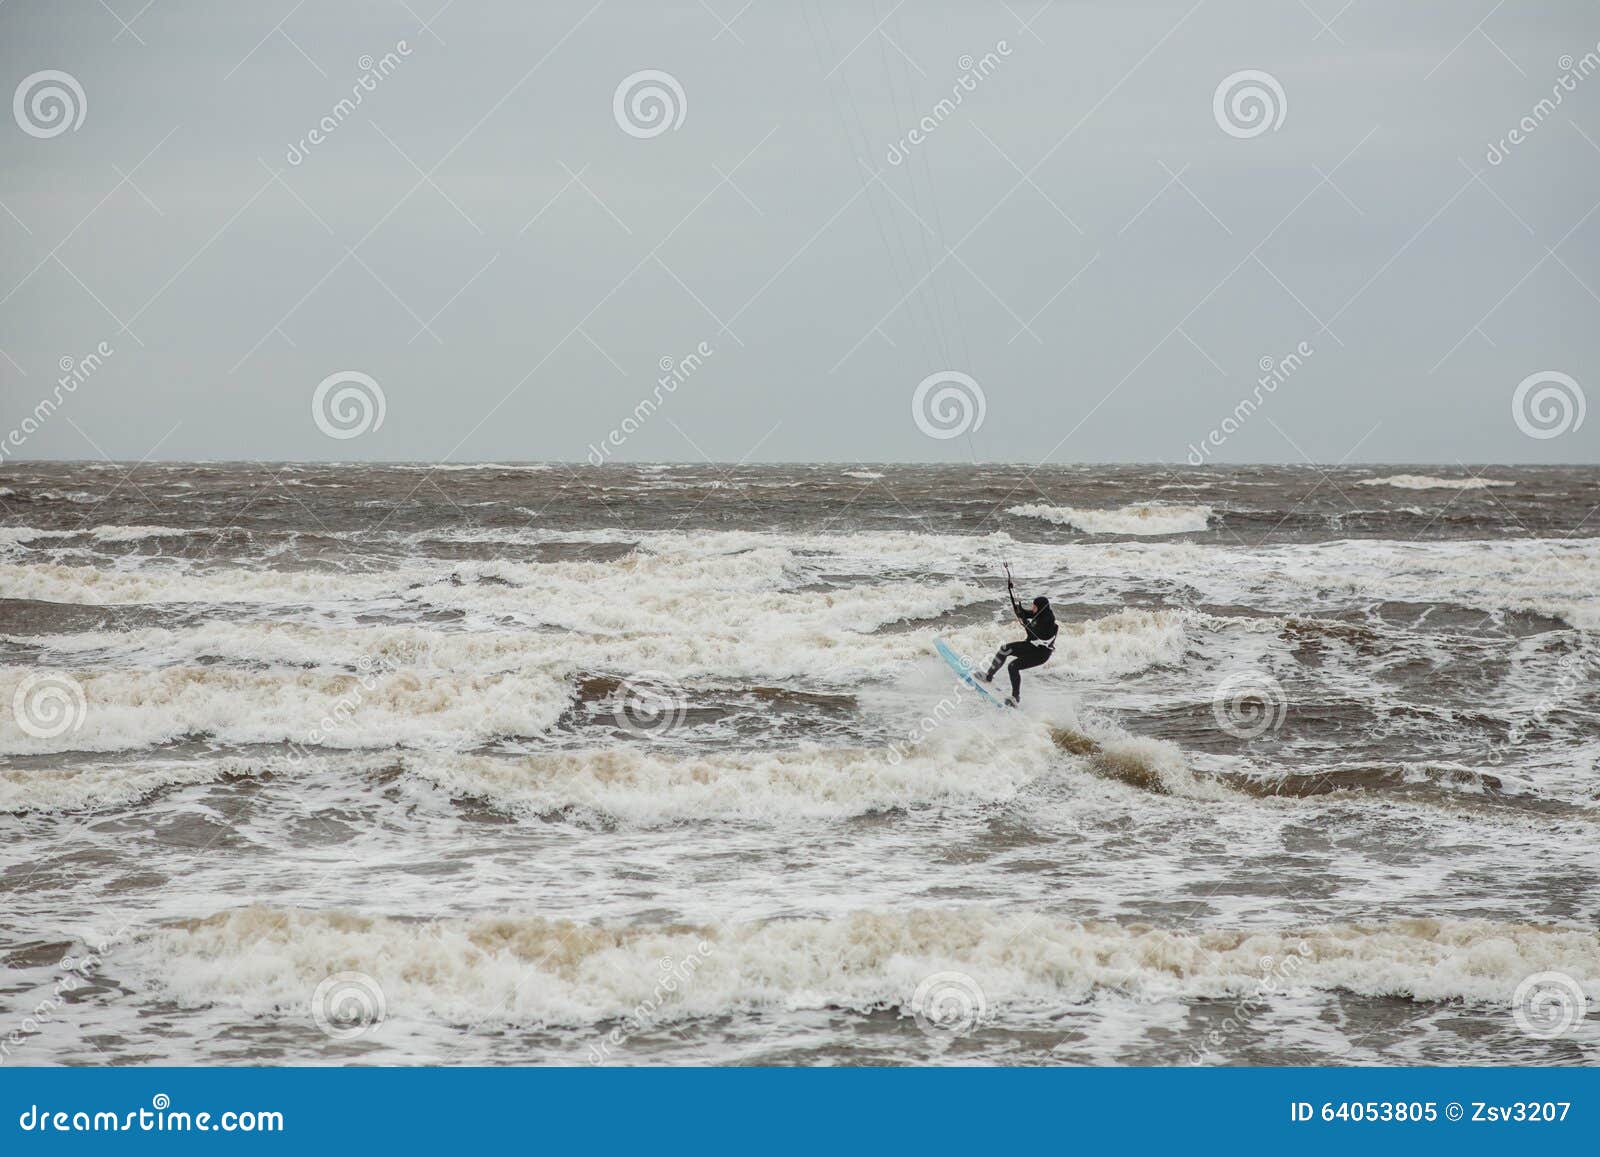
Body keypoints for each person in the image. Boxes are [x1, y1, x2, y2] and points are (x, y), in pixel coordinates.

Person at [981, 593, 1057, 704]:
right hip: (1032, 647)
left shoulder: (1048, 621)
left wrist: (1025, 622)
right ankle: (988, 676)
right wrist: (1020, 610)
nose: (1033, 608)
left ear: (1040, 608)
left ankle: (1015, 698)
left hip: (1040, 654)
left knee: (1013, 666)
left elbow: (1033, 634)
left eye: (1034, 607)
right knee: (1004, 650)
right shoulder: (1041, 612)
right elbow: (1028, 614)